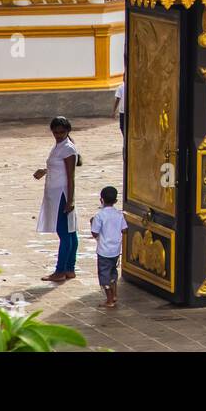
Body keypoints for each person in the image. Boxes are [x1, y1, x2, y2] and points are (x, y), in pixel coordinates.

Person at [34, 116, 79, 281]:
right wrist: (45, 170)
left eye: (62, 132)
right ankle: (69, 268)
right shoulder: (59, 146)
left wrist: (70, 200)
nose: (58, 135)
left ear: (68, 131)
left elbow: (70, 176)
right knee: (70, 232)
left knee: (65, 233)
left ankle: (61, 270)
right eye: (56, 132)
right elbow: (58, 167)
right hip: (56, 192)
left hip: (62, 194)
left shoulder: (68, 148)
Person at [90, 186, 128, 308]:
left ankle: (109, 299)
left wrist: (92, 224)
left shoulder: (99, 216)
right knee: (113, 272)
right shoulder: (119, 215)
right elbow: (125, 230)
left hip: (103, 250)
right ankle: (115, 294)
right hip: (116, 250)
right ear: (116, 201)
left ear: (101, 200)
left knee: (104, 275)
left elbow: (95, 232)